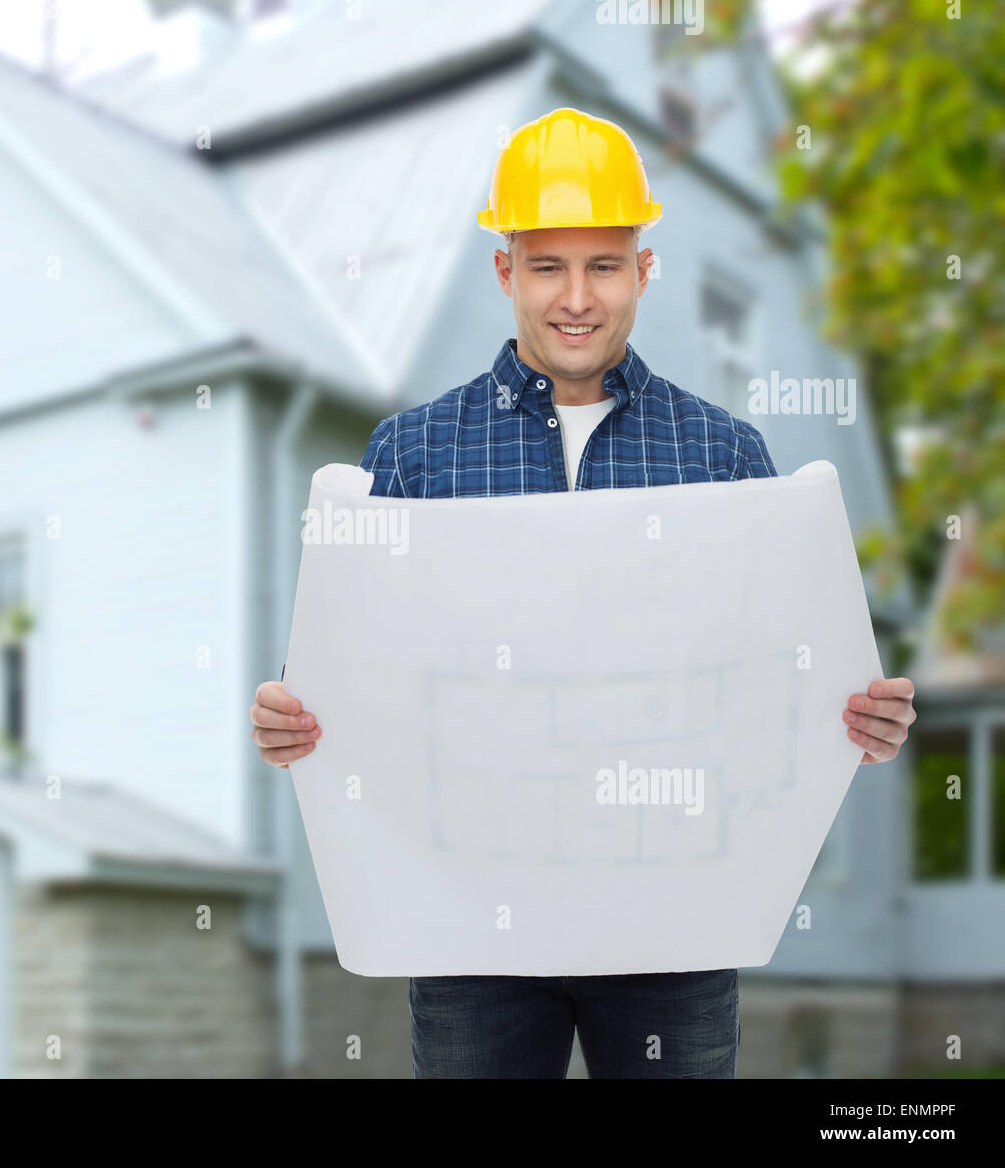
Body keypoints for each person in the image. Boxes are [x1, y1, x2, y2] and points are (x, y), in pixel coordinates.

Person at [248, 108, 916, 1078]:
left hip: (672, 923)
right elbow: (359, 660)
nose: (575, 297)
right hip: (469, 922)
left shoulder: (722, 454)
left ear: (643, 270)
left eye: (602, 265)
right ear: (504, 271)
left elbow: (776, 671)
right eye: (547, 265)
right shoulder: (414, 454)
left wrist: (853, 713)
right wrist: (291, 710)